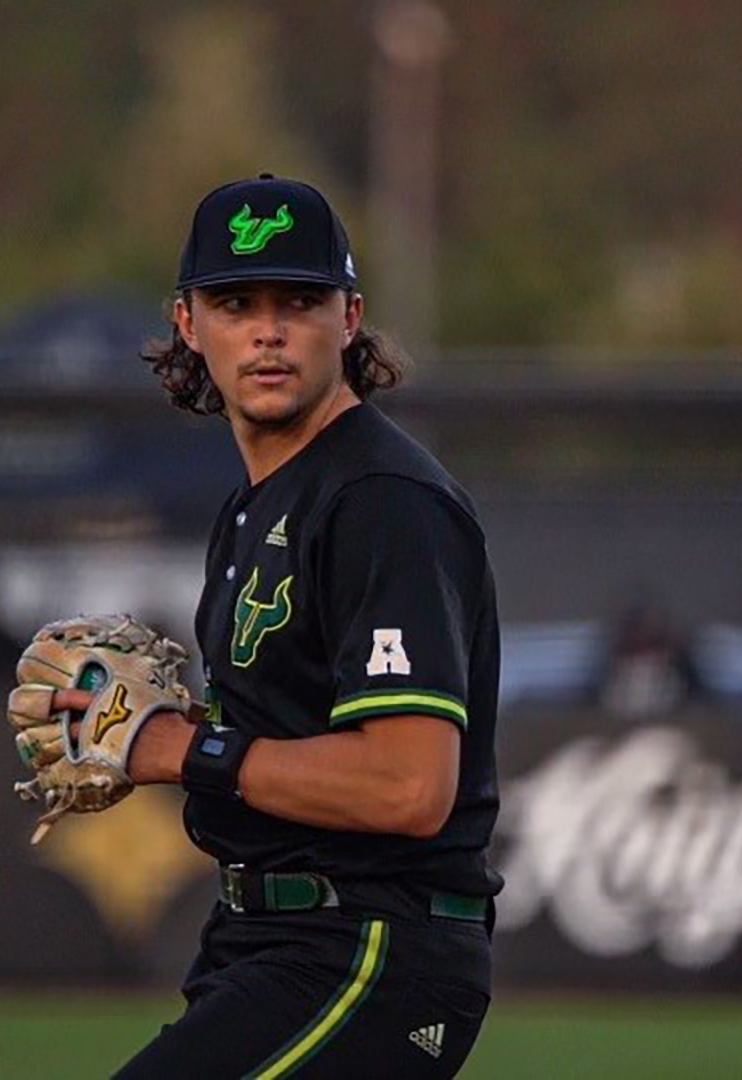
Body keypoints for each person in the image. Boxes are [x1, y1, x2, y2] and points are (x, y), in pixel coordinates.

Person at [40, 174, 500, 1077]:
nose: (268, 329)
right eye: (235, 302)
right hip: (269, 938)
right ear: (187, 325)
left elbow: (410, 787)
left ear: (350, 316)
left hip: (370, 948)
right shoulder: (258, 505)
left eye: (299, 299)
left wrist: (181, 749)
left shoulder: (381, 499)